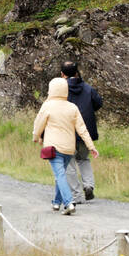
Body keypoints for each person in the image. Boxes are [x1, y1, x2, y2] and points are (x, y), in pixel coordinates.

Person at [33, 77, 98, 215]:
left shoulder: (47, 106)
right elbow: (82, 129)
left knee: (60, 175)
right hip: (69, 149)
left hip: (53, 148)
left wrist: (36, 137)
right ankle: (56, 203)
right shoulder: (72, 107)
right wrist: (91, 146)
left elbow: (39, 124)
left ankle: (69, 203)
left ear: (51, 90)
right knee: (60, 174)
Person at [61, 61, 103, 203]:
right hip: (86, 131)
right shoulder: (88, 88)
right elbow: (98, 103)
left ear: (62, 74)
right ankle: (89, 185)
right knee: (84, 159)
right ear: (76, 72)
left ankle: (76, 195)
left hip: (68, 131)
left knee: (69, 162)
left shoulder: (62, 89)